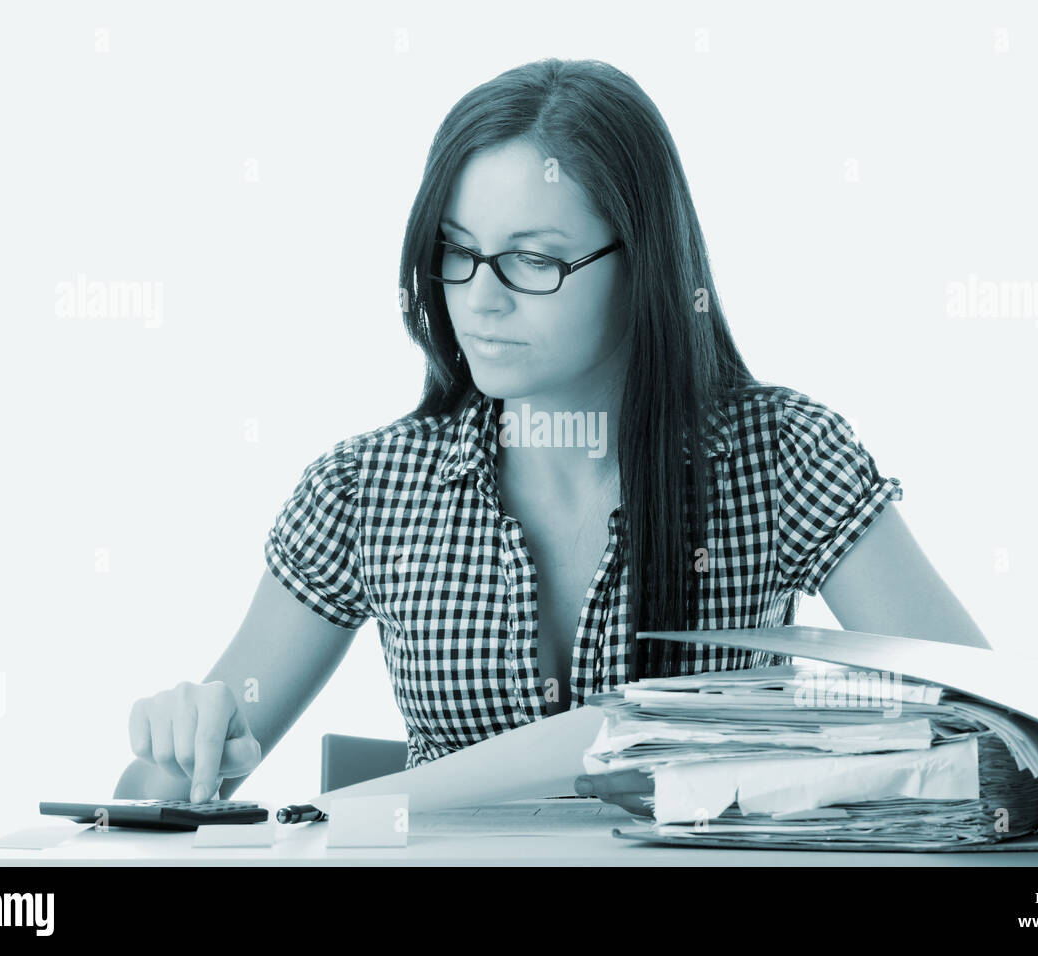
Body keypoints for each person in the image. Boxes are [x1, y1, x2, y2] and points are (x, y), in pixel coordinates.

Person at [115, 58, 989, 808]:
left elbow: (1001, 729)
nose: (479, 300)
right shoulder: (361, 490)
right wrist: (174, 751)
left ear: (642, 262)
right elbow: (157, 801)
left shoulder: (782, 457)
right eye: (455, 251)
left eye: (532, 260)